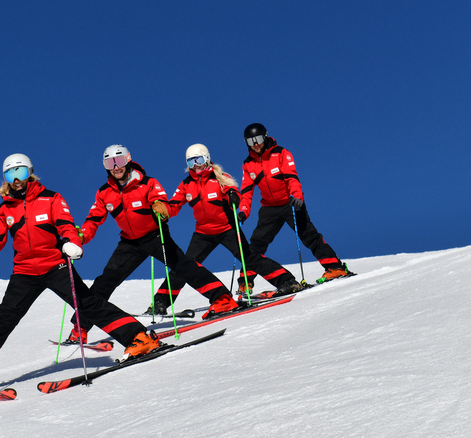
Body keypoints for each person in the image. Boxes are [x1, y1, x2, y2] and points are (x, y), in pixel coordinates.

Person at [0, 153, 160, 390]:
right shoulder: (5, 209)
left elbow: (65, 224)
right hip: (25, 272)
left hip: (55, 265)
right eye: (10, 174)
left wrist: (72, 242)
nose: (16, 179)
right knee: (4, 319)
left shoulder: (51, 198)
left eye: (20, 172)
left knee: (88, 303)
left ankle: (140, 338)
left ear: (30, 172)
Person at [70, 144, 241, 342]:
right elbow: (94, 219)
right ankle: (80, 327)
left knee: (183, 267)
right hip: (129, 243)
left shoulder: (147, 183)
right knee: (106, 281)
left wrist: (161, 208)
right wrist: (80, 237)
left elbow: (159, 199)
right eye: (110, 163)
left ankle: (222, 299)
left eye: (119, 161)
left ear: (128, 160)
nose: (116, 167)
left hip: (154, 236)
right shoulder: (104, 193)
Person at [143, 144, 303, 314]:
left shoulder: (219, 177)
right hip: (203, 233)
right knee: (184, 266)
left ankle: (287, 282)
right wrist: (163, 211)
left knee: (249, 258)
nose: (196, 165)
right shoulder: (186, 185)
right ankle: (160, 303)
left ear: (207, 159)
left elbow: (233, 191)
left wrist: (234, 198)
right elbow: (174, 206)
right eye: (191, 162)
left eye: (199, 160)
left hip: (227, 228)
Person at [237, 123, 352, 290]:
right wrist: (243, 212)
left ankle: (335, 268)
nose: (256, 144)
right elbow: (246, 191)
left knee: (309, 235)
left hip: (289, 202)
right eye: (250, 141)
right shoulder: (248, 164)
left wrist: (297, 197)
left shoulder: (281, 153)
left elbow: (292, 177)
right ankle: (245, 283)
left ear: (266, 136)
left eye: (259, 139)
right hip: (269, 207)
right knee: (256, 245)